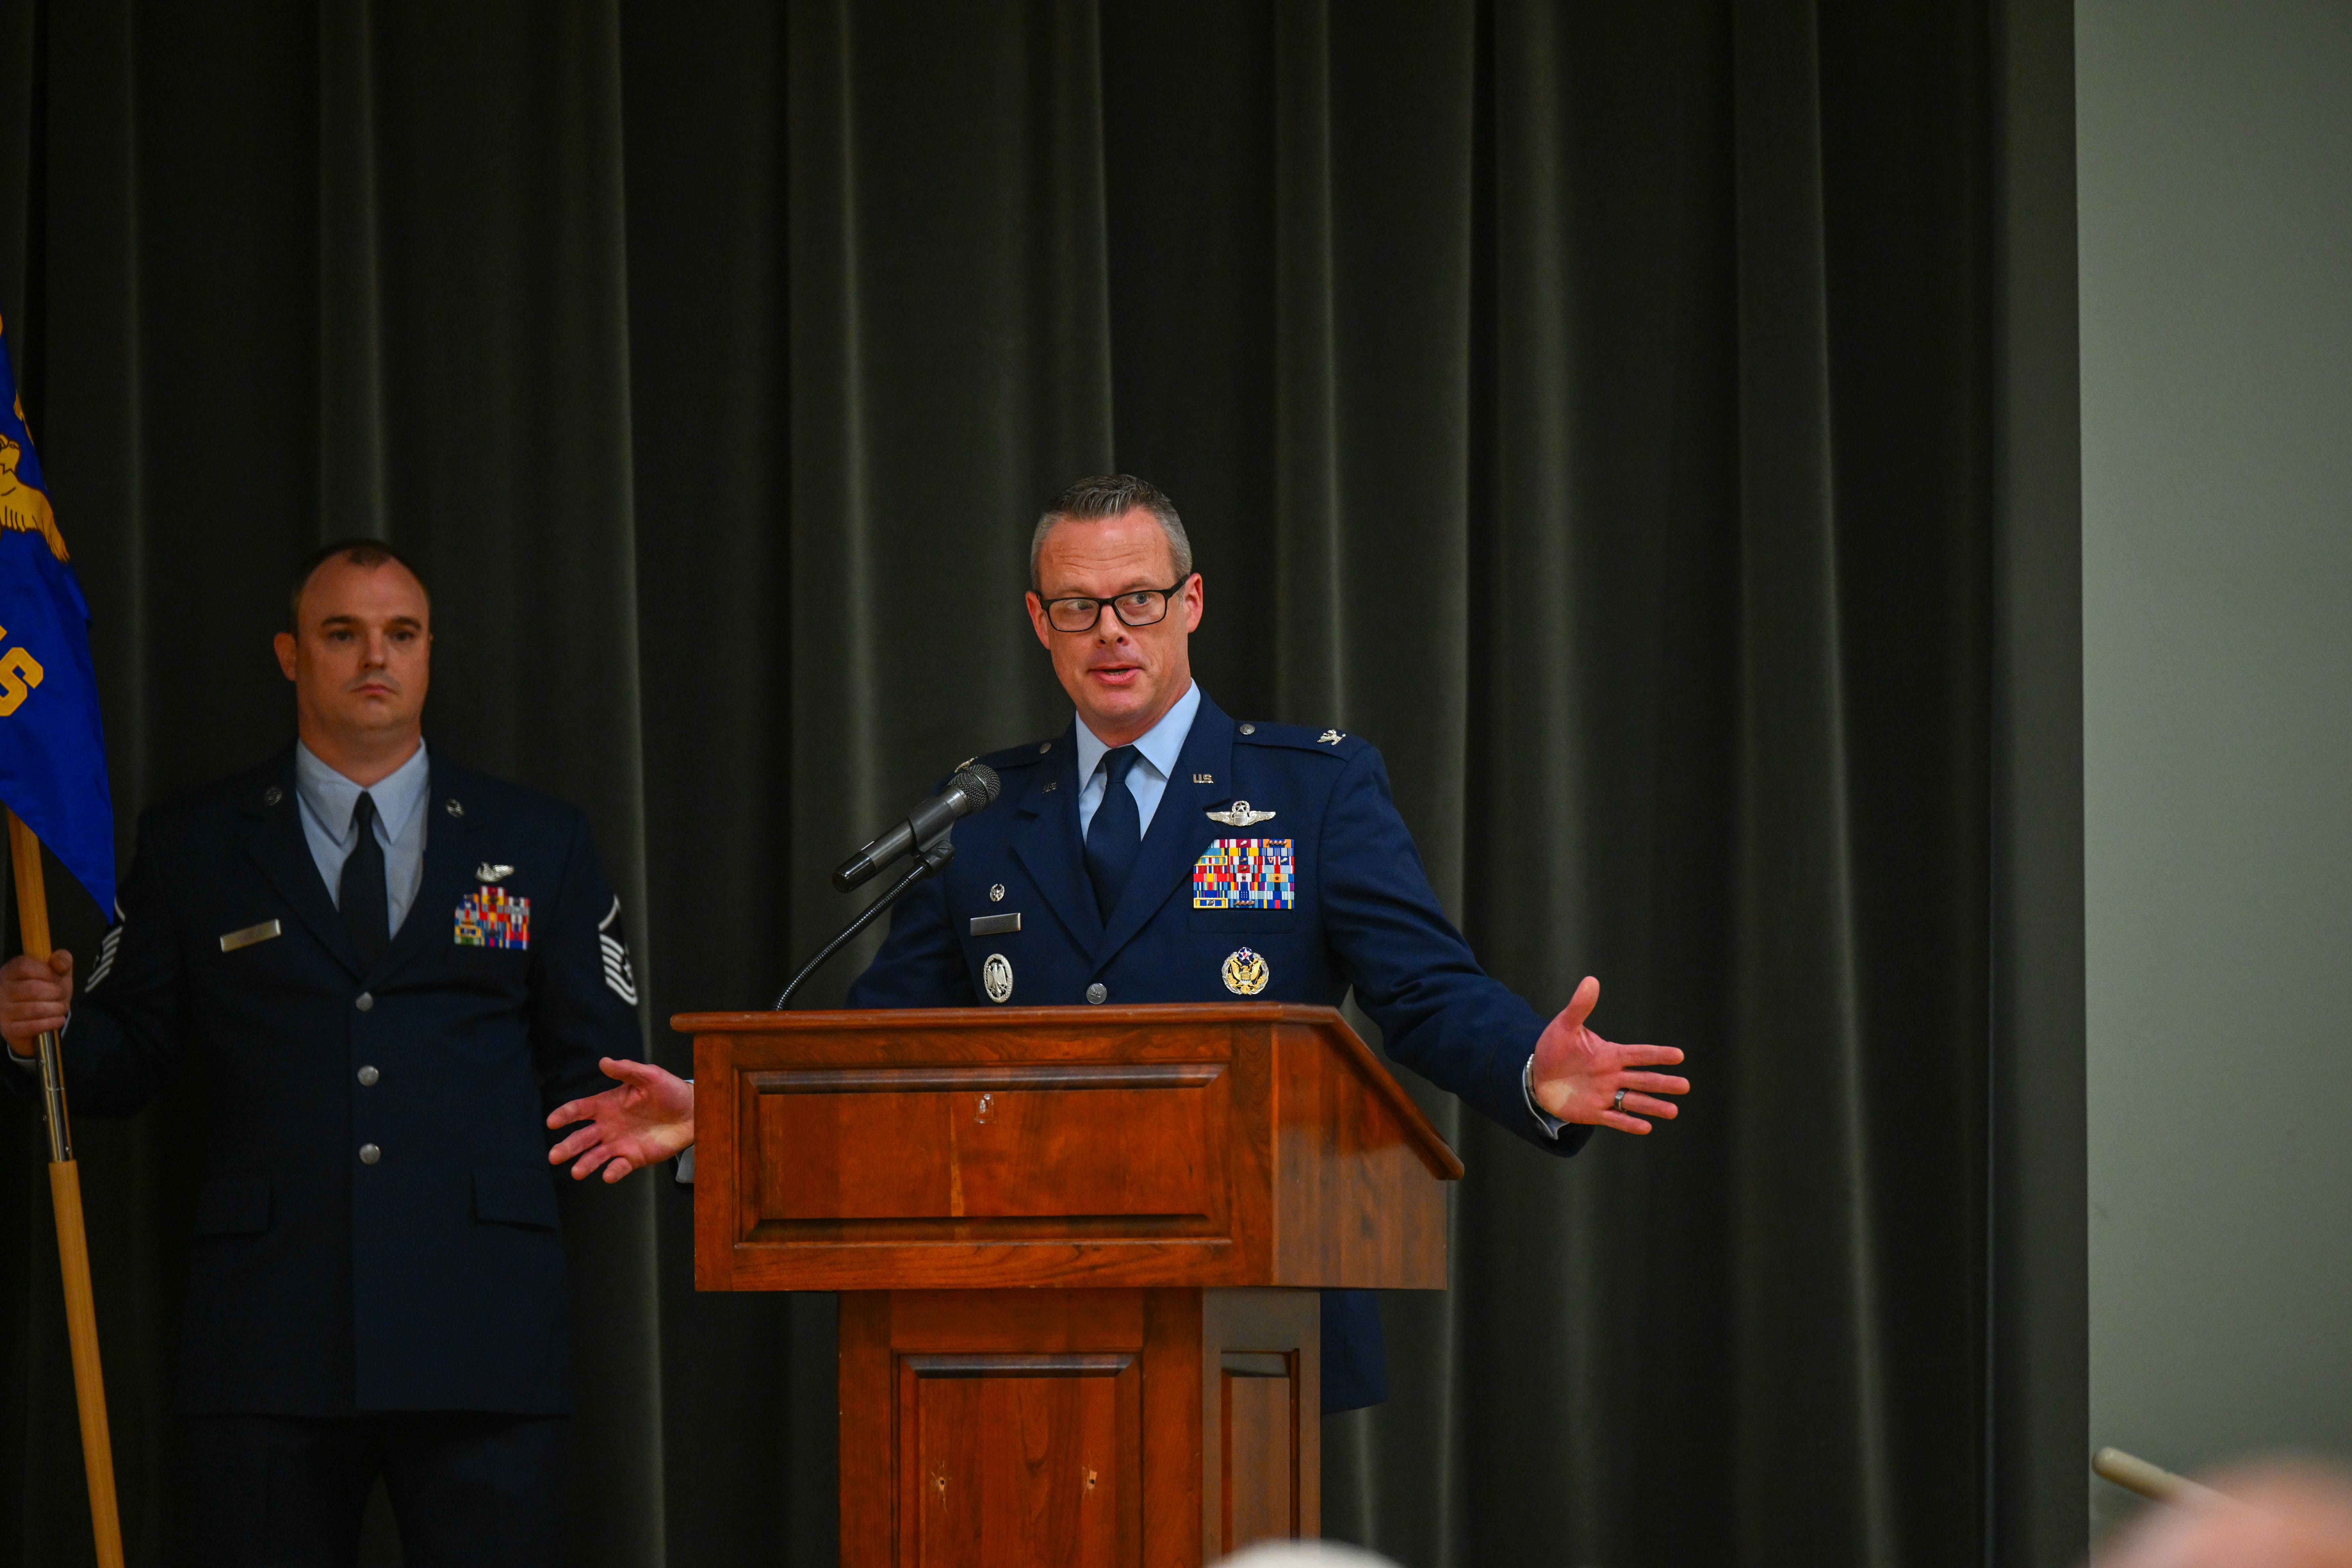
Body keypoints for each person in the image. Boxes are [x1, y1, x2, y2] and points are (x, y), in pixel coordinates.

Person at [552, 473, 1689, 1413]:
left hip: (1251, 1306)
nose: (1112, 632)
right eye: (1080, 606)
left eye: (1139, 599)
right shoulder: (987, 809)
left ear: (1192, 602)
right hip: (1011, 1310)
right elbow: (882, 1042)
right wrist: (731, 1113)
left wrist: (1528, 1064)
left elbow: (1425, 989)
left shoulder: (1312, 787)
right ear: (1038, 621)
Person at [1, 540, 648, 1567]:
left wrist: (647, 1125)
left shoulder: (539, 843)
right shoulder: (197, 844)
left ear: (432, 654)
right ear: (290, 656)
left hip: (479, 1328)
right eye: (341, 633)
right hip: (270, 1338)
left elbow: (600, 1069)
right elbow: (123, 1066)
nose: (372, 658)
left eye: (399, 634)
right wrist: (48, 1029)